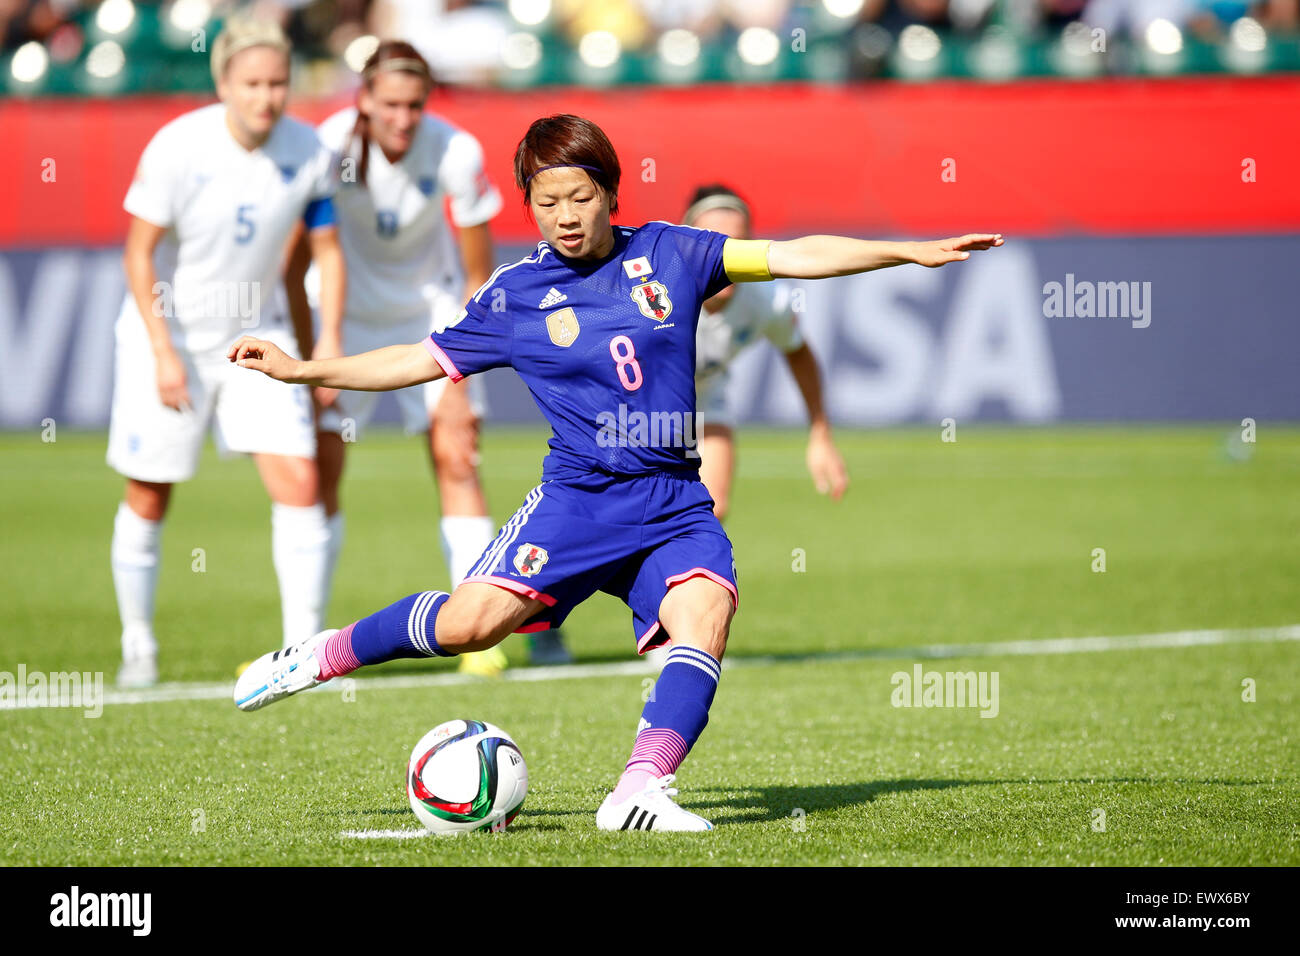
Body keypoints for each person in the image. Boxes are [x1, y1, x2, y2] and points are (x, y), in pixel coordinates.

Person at [227, 113, 1003, 830]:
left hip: (671, 502)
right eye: (545, 202)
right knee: (469, 626)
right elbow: (414, 358)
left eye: (580, 196)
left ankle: (638, 790)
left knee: (706, 616)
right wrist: (303, 371)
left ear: (610, 191)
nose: (564, 216)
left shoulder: (673, 250)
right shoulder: (517, 295)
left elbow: (793, 254)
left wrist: (908, 249)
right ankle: (318, 655)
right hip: (579, 502)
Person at [281, 41, 569, 675]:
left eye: (414, 104)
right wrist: (318, 343)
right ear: (364, 99)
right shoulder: (326, 147)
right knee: (322, 471)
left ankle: (481, 637)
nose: (403, 118)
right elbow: (307, 251)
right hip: (346, 318)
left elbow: (473, 273)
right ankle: (302, 641)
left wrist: (467, 372)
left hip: (432, 316)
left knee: (456, 456)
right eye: (390, 104)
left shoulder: (455, 150)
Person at [108, 17, 344, 687]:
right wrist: (163, 350)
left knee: (300, 482)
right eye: (252, 83)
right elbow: (139, 250)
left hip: (256, 338)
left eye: (278, 83)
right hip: (173, 334)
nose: (267, 97)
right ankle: (139, 647)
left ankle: (303, 653)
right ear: (223, 84)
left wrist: (324, 341)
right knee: (150, 492)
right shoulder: (177, 147)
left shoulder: (310, 151)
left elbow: (324, 250)